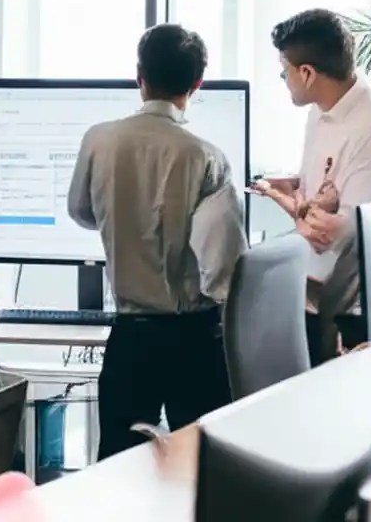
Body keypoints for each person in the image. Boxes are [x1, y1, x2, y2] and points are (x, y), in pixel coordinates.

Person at [67, 24, 246, 460]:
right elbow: (223, 264)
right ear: (197, 84)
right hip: (193, 339)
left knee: (118, 463)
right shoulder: (206, 156)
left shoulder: (98, 139)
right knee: (203, 465)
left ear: (139, 77)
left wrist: (123, 223)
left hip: (131, 337)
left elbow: (81, 211)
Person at [250, 8, 371, 364]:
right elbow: (321, 191)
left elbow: (331, 234)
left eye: (284, 71)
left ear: (307, 73)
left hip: (347, 318)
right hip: (310, 294)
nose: (283, 79)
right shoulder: (321, 108)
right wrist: (295, 185)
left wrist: (283, 198)